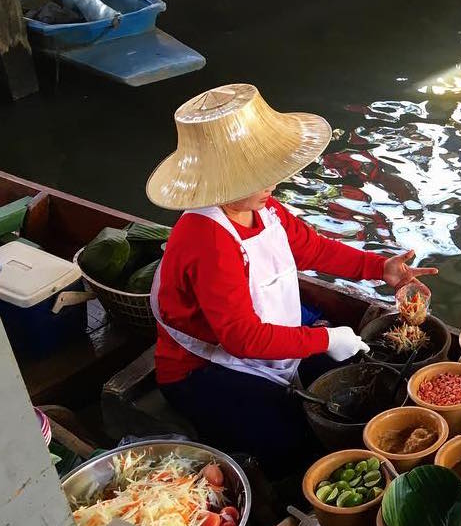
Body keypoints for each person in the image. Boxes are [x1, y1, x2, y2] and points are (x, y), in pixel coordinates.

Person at [145, 83, 436, 472]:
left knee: (351, 385)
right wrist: (325, 339)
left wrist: (380, 268)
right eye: (258, 176)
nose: (272, 184)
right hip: (201, 368)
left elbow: (313, 249)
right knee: (293, 444)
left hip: (264, 344)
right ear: (223, 181)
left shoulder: (263, 208)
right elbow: (242, 338)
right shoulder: (208, 239)